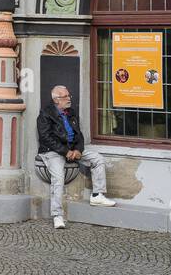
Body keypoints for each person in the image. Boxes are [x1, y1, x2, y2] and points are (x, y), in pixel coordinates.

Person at [37, 84, 116, 228]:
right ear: (56, 100)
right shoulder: (45, 114)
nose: (69, 98)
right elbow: (45, 137)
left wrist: (78, 150)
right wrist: (65, 151)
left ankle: (97, 195)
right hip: (52, 151)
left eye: (69, 95)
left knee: (97, 158)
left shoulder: (70, 112)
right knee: (58, 178)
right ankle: (57, 215)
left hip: (72, 148)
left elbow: (79, 134)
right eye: (65, 96)